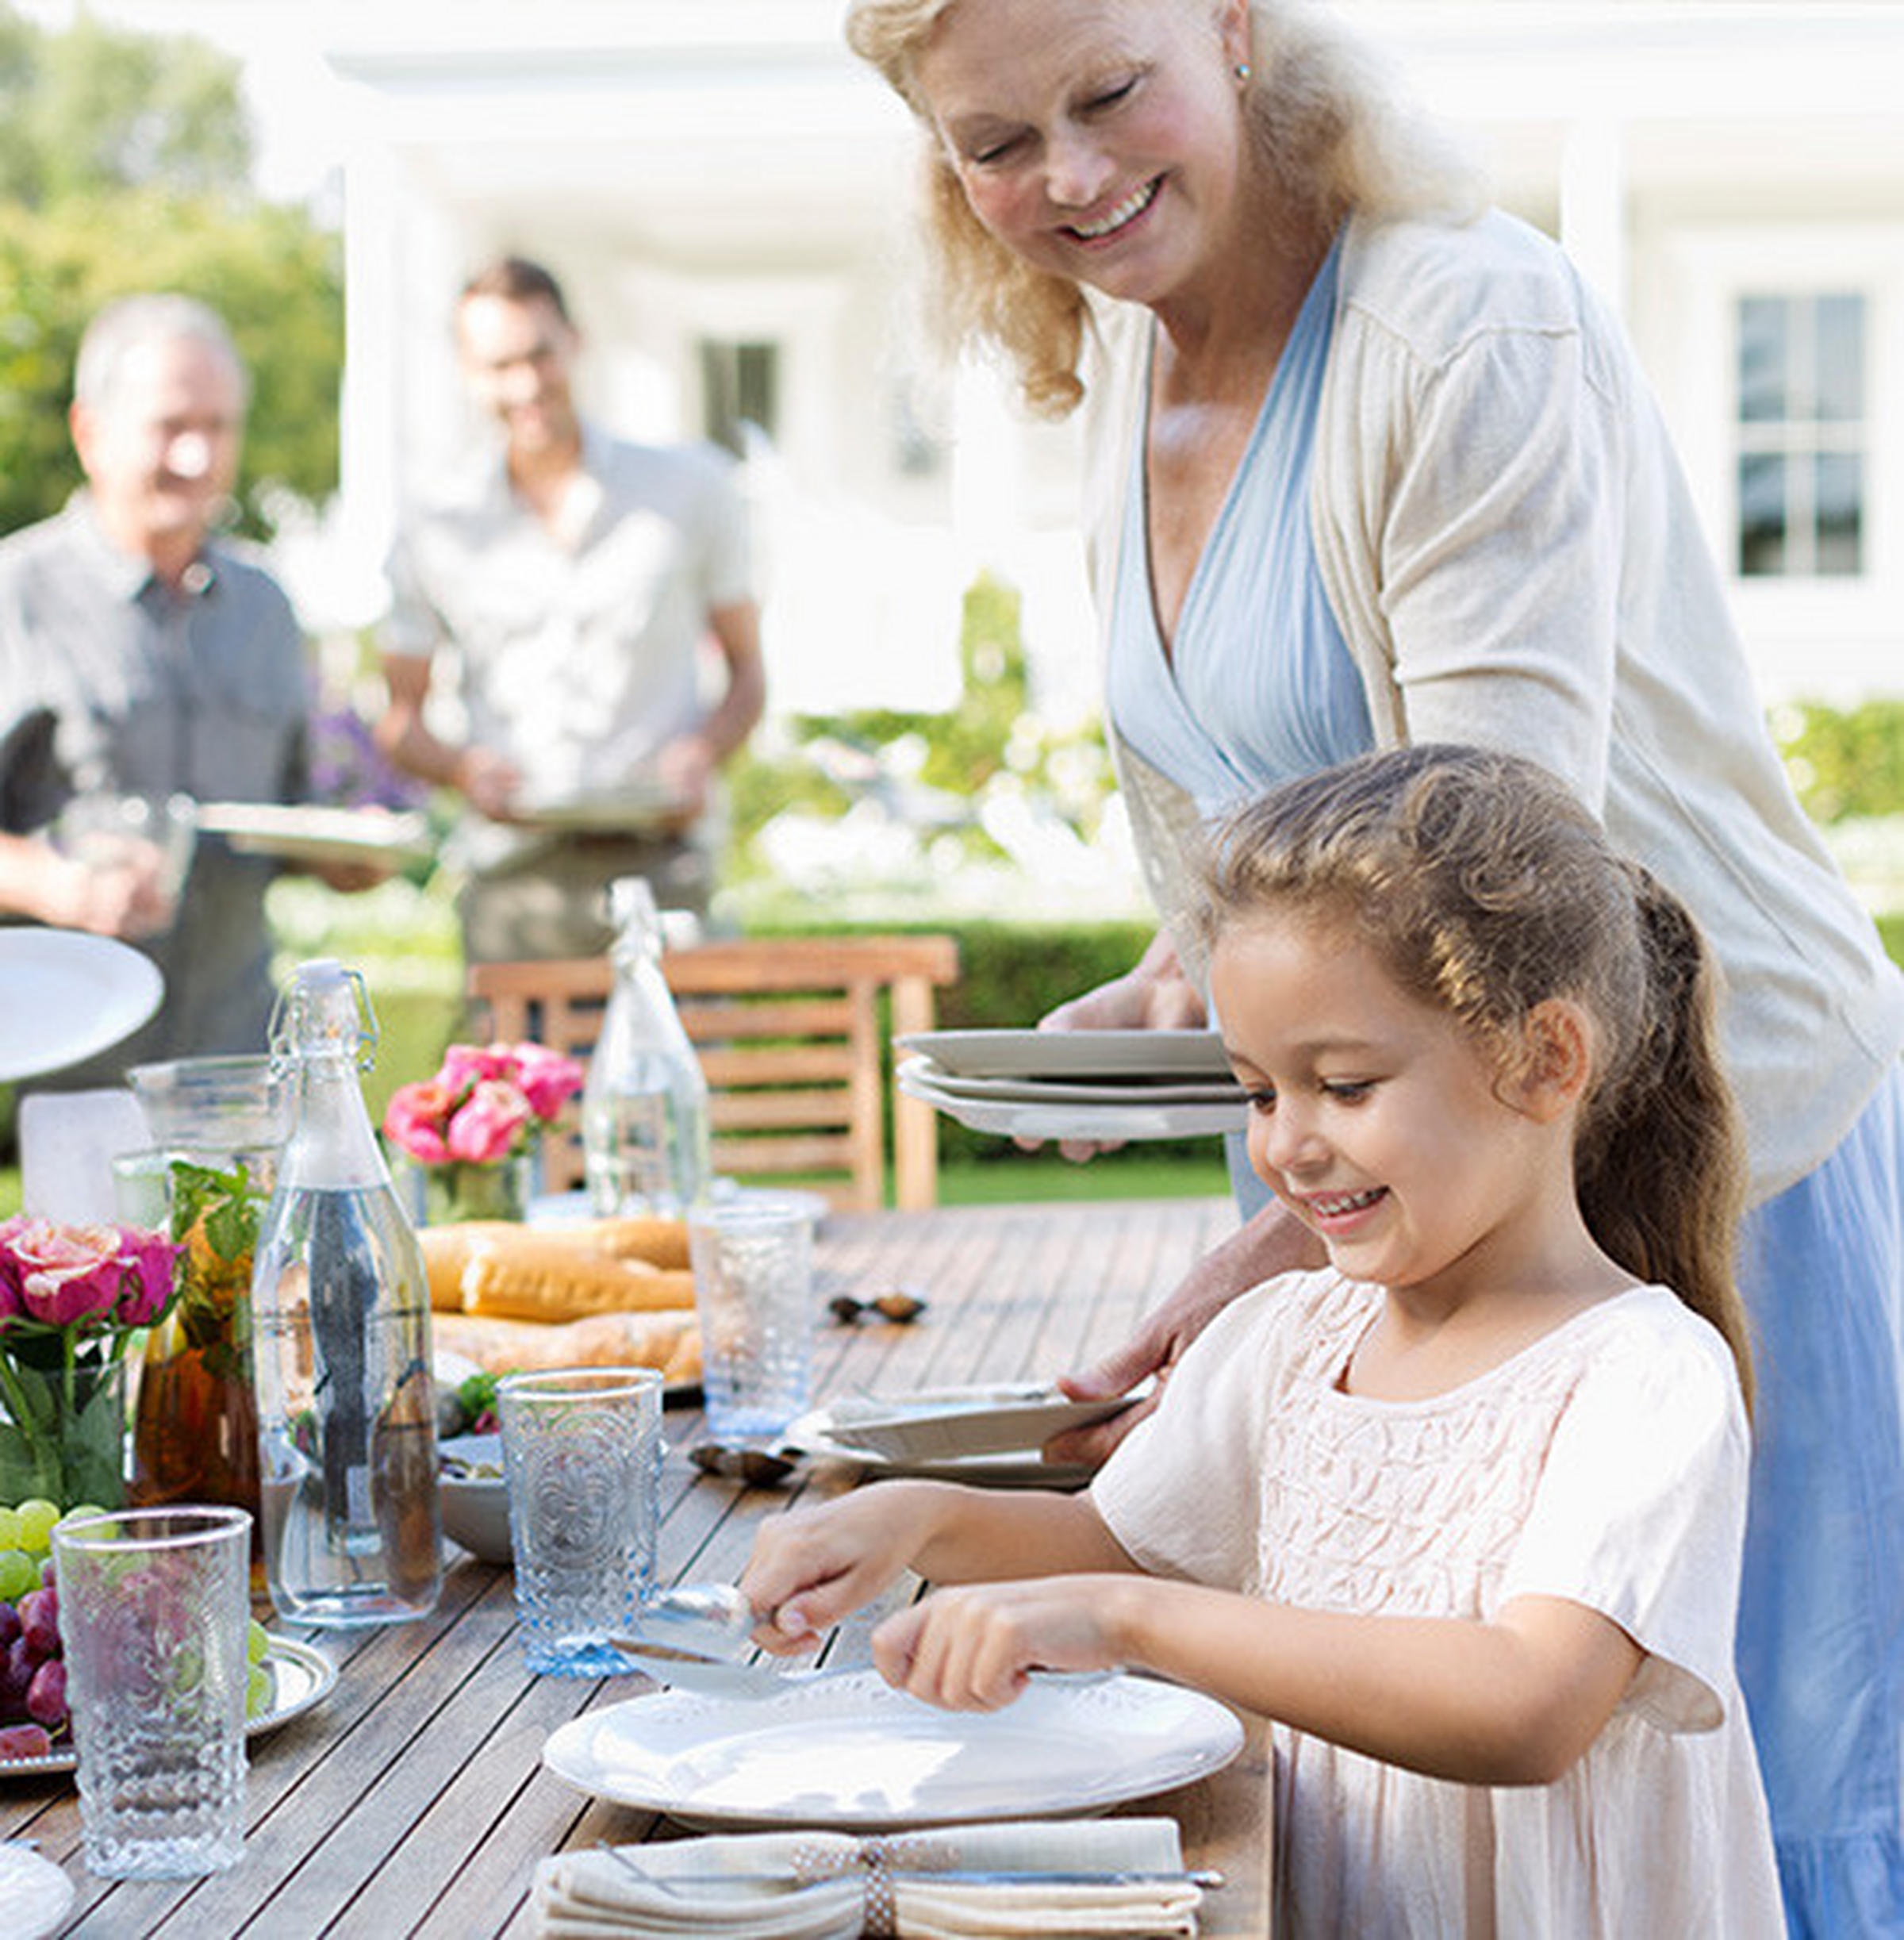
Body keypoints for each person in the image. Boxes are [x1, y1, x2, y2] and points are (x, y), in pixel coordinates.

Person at [843, 2, 1904, 1926]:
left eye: (1106, 93)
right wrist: (1182, 984)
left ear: (1232, 29)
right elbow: (1272, 826)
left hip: (1695, 1142)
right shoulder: (1128, 357)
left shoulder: (1453, 329)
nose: (1065, 179)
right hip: (1441, 1160)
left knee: (1760, 1797)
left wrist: (1285, 1249)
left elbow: (1489, 851)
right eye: (995, 143)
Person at [743, 746, 1783, 1935]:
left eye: (1343, 1086)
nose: (1286, 1145)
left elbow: (1527, 1706)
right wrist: (917, 1516)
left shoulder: (1640, 1375)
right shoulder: (1292, 1337)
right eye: (1256, 1091)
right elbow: (1124, 1542)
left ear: (1545, 1060)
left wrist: (1121, 1621)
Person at [375, 255, 766, 962]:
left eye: (539, 354)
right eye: (498, 365)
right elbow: (401, 721)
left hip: (664, 868)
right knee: (512, 1078)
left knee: (677, 1074)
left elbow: (747, 675)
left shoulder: (690, 489)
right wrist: (465, 771)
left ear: (574, 344)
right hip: (513, 883)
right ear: (467, 372)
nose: (525, 384)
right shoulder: (433, 524)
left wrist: (702, 754)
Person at [0, 293, 314, 1078]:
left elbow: (297, 811)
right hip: (76, 1065)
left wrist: (348, 852)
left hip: (242, 1061)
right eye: (171, 427)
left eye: (217, 427)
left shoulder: (267, 607)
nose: (198, 458)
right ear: (90, 432)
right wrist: (55, 885)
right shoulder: (17, 595)